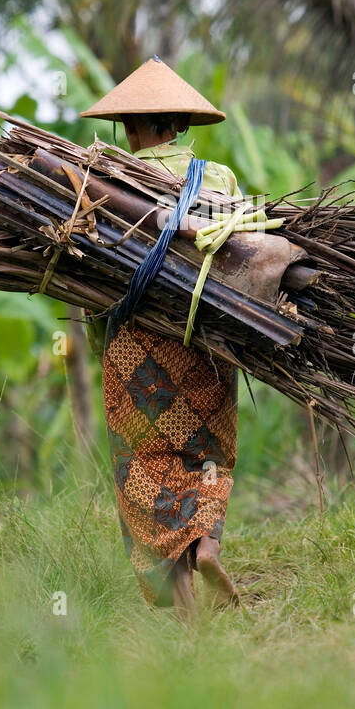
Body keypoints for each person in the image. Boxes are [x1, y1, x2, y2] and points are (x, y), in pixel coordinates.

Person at [80, 58, 241, 618]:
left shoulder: (105, 179)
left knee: (142, 466)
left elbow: (85, 263)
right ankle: (207, 545)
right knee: (207, 456)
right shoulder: (218, 179)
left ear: (133, 126)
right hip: (205, 339)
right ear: (180, 122)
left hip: (135, 350)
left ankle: (185, 612)